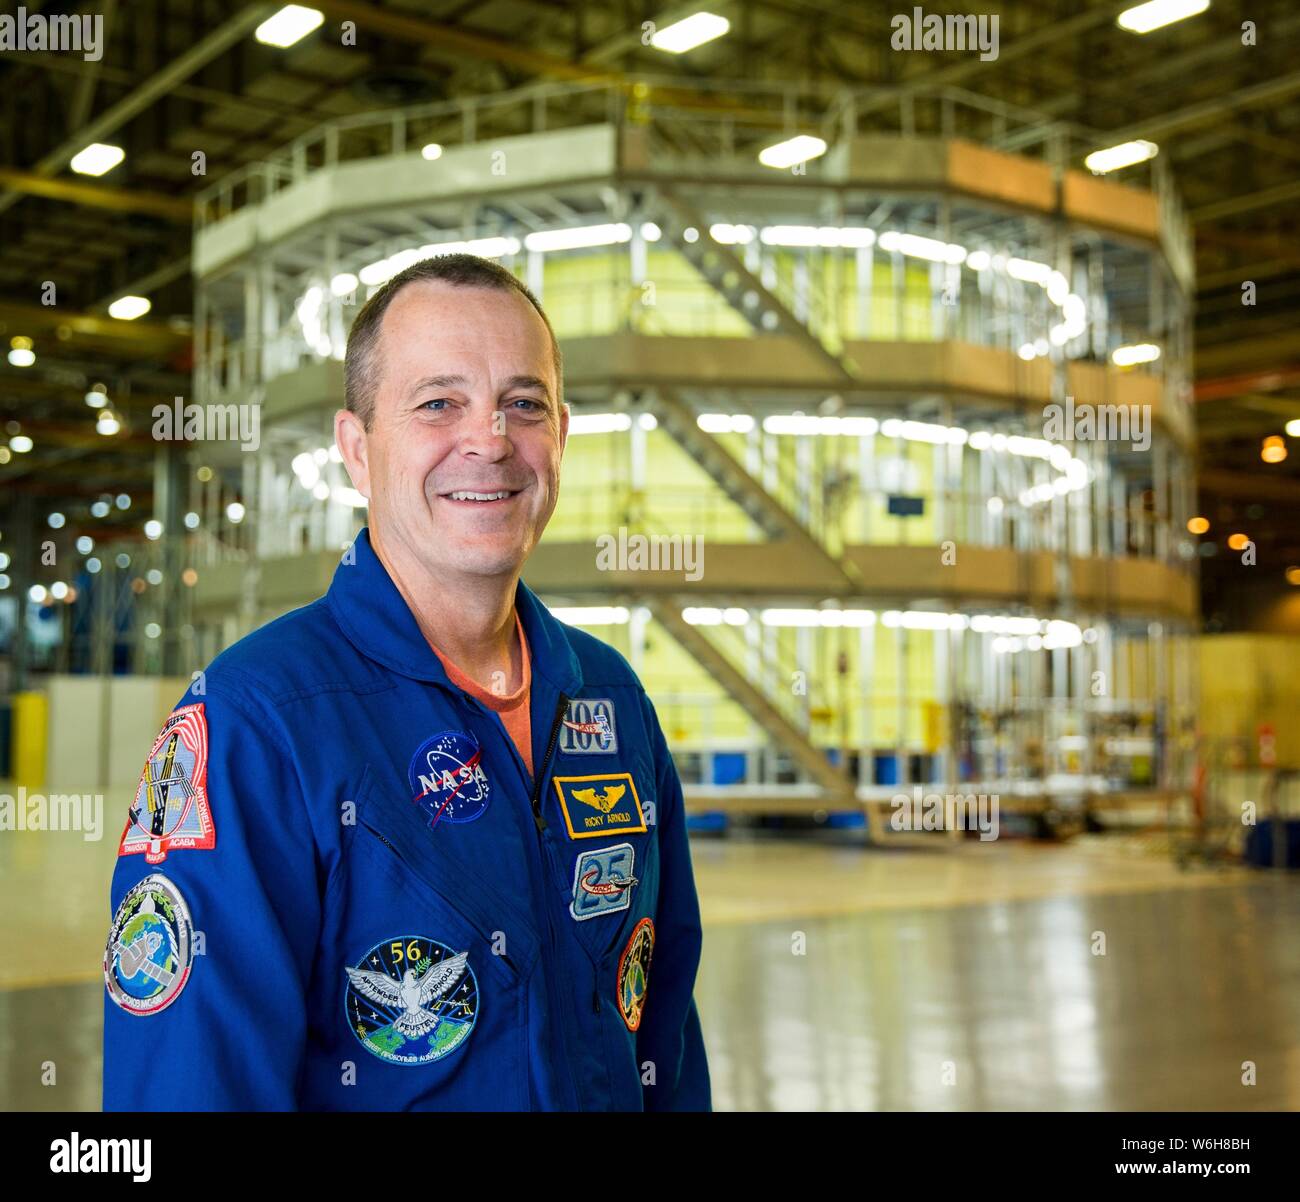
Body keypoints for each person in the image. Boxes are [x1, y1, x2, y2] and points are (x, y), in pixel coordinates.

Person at [102, 254, 711, 1111]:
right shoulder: (257, 724)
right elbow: (189, 1088)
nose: (490, 440)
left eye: (523, 404)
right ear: (357, 449)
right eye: (438, 403)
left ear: (562, 437)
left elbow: (667, 1043)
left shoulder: (609, 701)